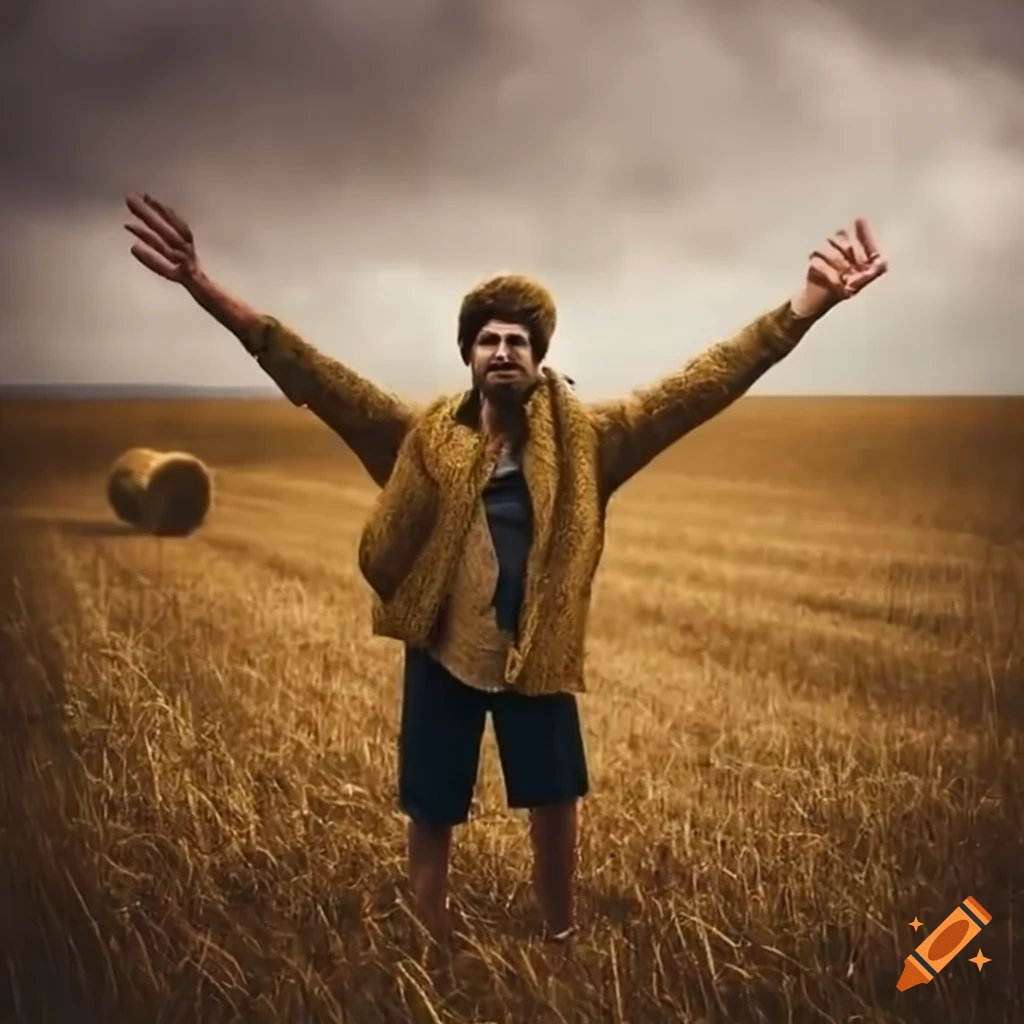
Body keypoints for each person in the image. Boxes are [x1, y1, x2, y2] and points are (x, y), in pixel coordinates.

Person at [123, 193, 888, 945]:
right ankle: (428, 932)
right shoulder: (419, 438)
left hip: (536, 655)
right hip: (441, 647)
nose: (502, 352)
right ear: (468, 355)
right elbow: (315, 375)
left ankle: (559, 929)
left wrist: (804, 308)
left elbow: (703, 382)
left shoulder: (592, 440)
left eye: (518, 342)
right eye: (487, 340)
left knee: (555, 802)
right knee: (432, 804)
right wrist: (201, 285)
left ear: (538, 357)